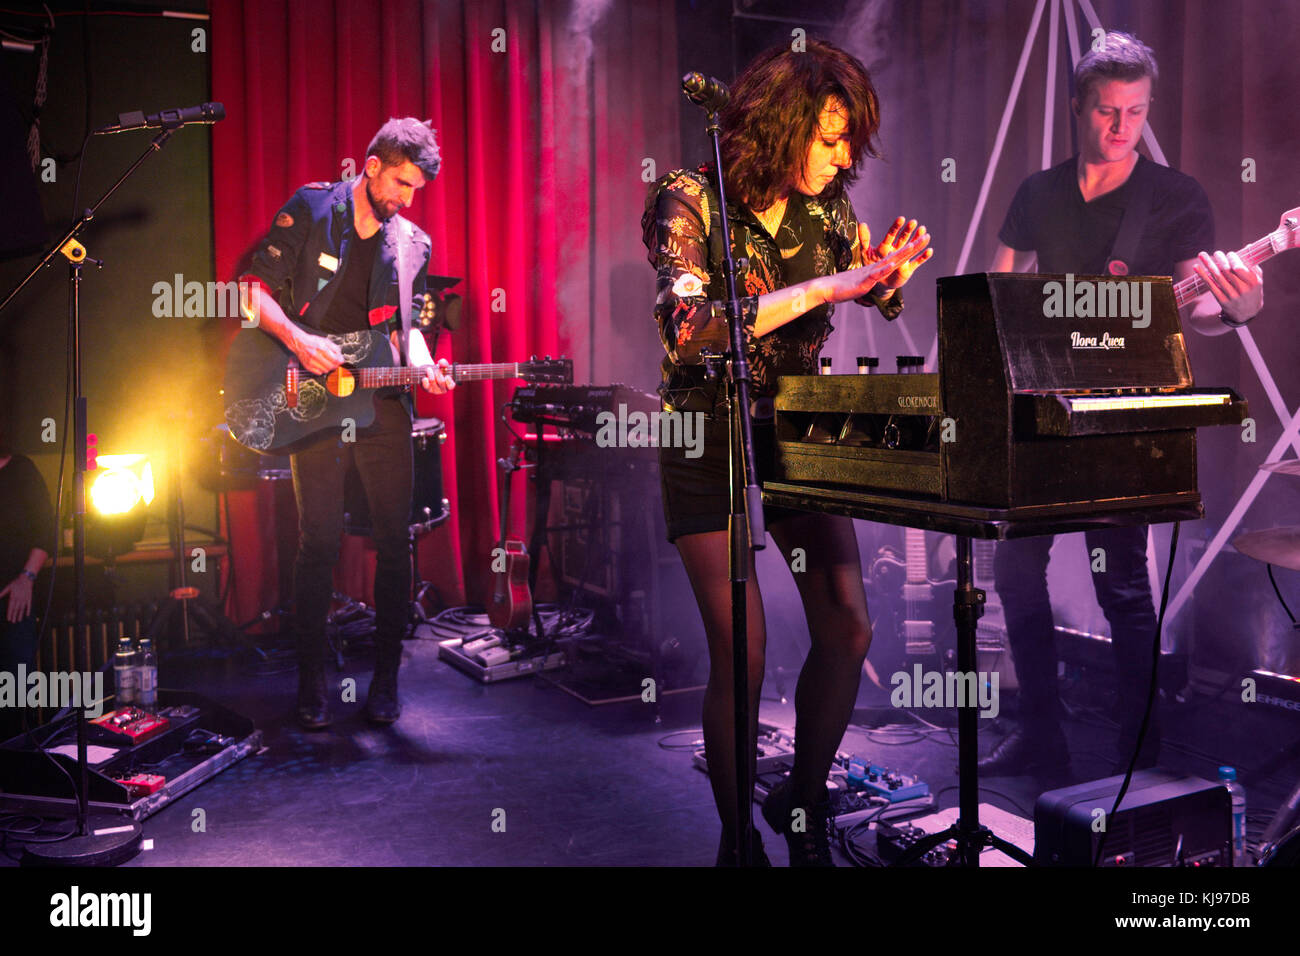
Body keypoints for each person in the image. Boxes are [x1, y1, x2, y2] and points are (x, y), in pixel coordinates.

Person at [643, 40, 933, 865]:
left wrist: (882, 277)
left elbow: (866, 290)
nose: (846, 156)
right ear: (780, 124)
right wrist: (835, 287)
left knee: (847, 626)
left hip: (798, 423)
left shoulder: (829, 208)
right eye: (832, 136)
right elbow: (689, 334)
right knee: (744, 649)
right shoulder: (686, 198)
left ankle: (800, 804)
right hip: (704, 425)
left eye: (850, 141)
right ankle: (738, 843)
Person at [981, 32, 1265, 778]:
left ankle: (1141, 753)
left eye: (1135, 113)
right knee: (1014, 578)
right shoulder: (1037, 192)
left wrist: (1241, 305)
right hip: (1040, 417)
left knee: (1125, 589)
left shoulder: (1176, 197)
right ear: (1078, 106)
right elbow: (998, 286)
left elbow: (1196, 309)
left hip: (1124, 422)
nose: (1120, 128)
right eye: (1107, 111)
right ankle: (1040, 733)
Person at [239, 118, 455, 730]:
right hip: (313, 395)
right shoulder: (311, 208)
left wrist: (425, 369)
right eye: (401, 184)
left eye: (416, 190)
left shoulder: (414, 240)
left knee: (395, 540)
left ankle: (386, 681)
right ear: (371, 165)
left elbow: (405, 331)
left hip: (384, 403)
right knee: (319, 541)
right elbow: (251, 293)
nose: (406, 200)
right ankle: (311, 681)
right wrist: (300, 341)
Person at [0, 428, 55, 742]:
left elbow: (45, 531)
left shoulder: (21, 470)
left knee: (13, 695)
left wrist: (27, 577)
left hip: (13, 601)